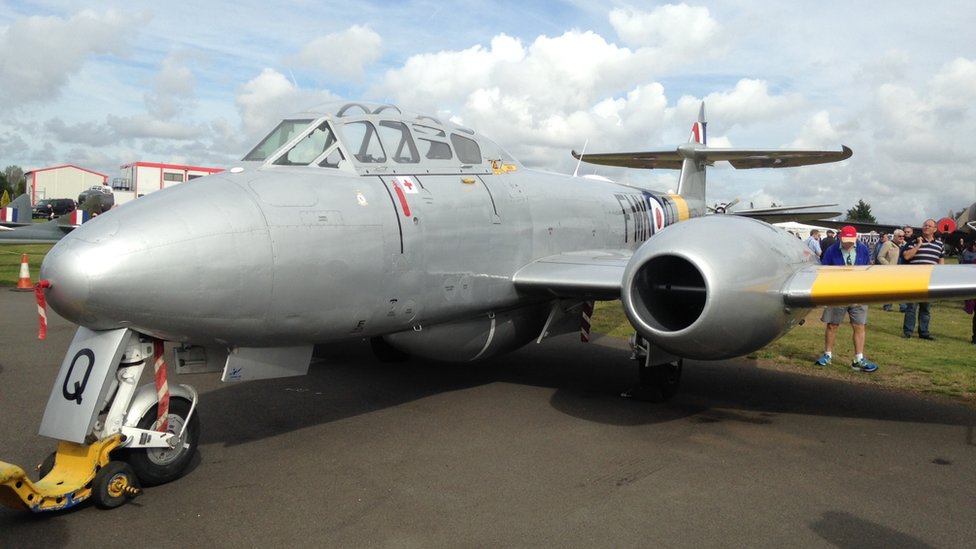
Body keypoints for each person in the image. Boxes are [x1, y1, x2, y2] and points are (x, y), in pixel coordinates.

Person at [814, 225, 877, 372]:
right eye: (845, 240)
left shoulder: (862, 249)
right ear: (840, 237)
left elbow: (867, 268)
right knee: (832, 325)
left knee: (859, 326)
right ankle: (827, 355)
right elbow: (824, 271)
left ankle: (859, 359)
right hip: (837, 294)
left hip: (859, 293)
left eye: (851, 241)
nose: (848, 243)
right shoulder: (831, 251)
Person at [901, 219, 945, 340]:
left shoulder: (940, 245)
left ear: (935, 229)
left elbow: (941, 261)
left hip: (929, 281)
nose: (926, 227)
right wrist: (919, 245)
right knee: (911, 308)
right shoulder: (914, 241)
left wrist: (940, 277)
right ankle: (908, 332)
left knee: (926, 308)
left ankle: (924, 332)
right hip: (915, 280)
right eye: (925, 225)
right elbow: (906, 256)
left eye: (929, 226)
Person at [877, 230, 904, 311]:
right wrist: (888, 266)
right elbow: (880, 256)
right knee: (890, 289)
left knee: (902, 289)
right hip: (891, 271)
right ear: (895, 236)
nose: (902, 238)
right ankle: (888, 305)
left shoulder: (905, 244)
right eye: (900, 236)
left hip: (902, 270)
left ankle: (903, 306)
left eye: (903, 236)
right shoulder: (887, 244)